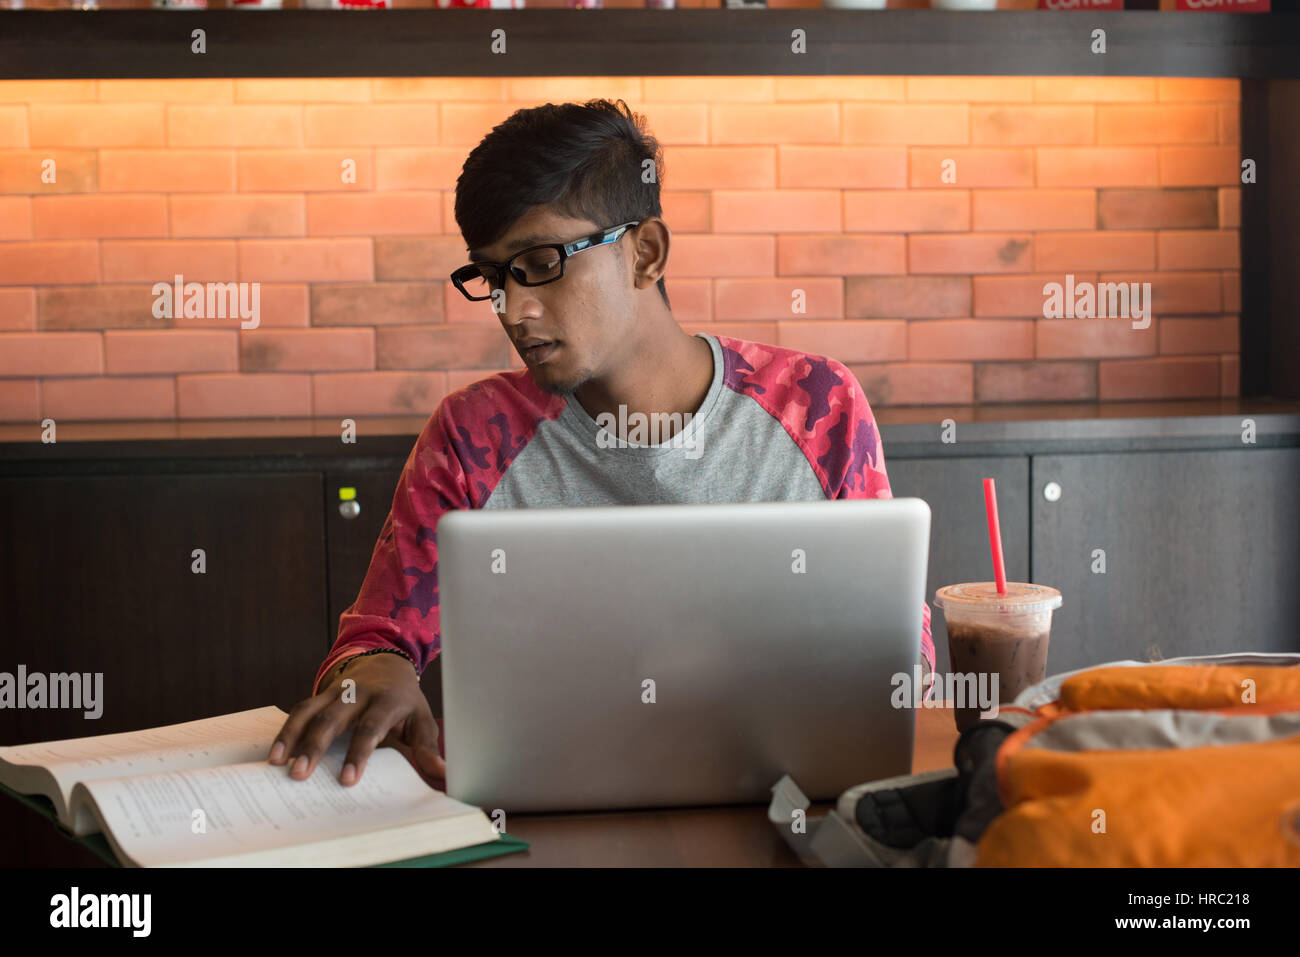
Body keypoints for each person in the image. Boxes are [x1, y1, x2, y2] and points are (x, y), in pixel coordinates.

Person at [268, 98, 935, 787]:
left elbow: (901, 649)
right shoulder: (471, 438)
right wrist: (373, 673)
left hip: (786, 802)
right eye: (493, 277)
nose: (513, 310)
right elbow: (377, 637)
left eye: (542, 261)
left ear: (644, 253)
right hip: (544, 818)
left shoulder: (814, 406)